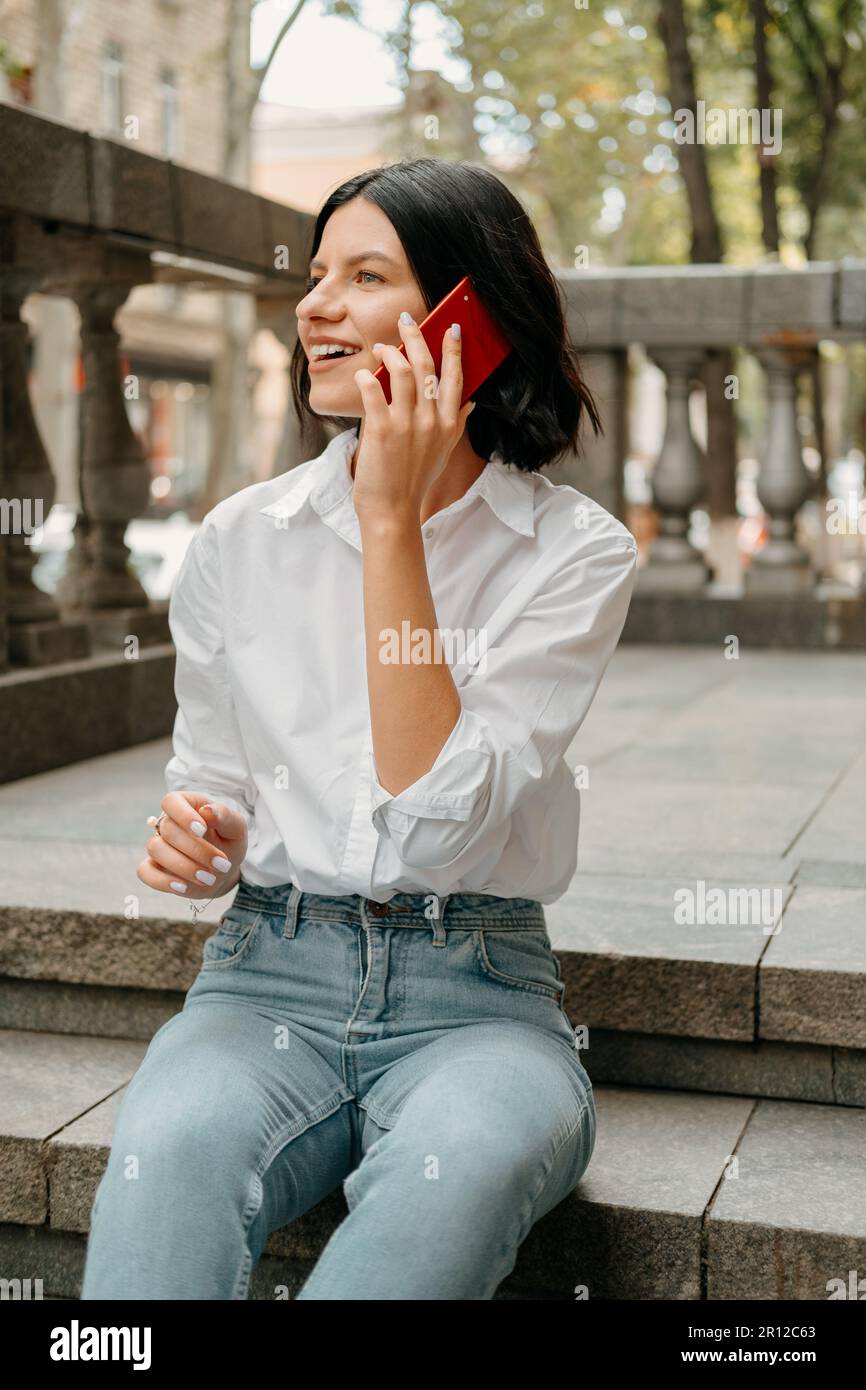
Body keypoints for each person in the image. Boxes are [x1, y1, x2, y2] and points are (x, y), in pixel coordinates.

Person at [81, 158, 638, 1301]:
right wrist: (204, 839)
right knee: (165, 1161)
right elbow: (214, 781)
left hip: (476, 997)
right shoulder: (238, 541)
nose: (313, 307)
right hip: (260, 979)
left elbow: (437, 826)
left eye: (365, 276)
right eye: (315, 275)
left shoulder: (574, 555)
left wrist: (389, 523)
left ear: (468, 319)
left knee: (463, 1167)